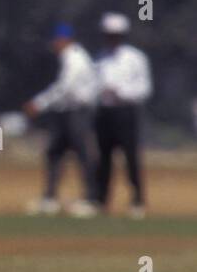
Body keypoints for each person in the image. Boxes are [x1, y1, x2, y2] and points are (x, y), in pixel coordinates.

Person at [22, 23, 97, 217]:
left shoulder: (75, 58)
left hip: (77, 112)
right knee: (55, 153)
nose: (54, 44)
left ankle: (90, 199)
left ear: (64, 40)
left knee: (82, 154)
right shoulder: (70, 56)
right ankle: (50, 198)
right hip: (66, 111)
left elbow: (65, 87)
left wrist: (39, 103)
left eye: (56, 40)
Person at [92, 12, 151, 219]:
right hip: (105, 113)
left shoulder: (135, 58)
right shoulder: (99, 58)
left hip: (126, 113)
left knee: (131, 158)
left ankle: (137, 201)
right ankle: (101, 200)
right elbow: (94, 85)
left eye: (115, 34)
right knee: (104, 158)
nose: (111, 38)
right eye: (108, 34)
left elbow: (144, 88)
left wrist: (121, 93)